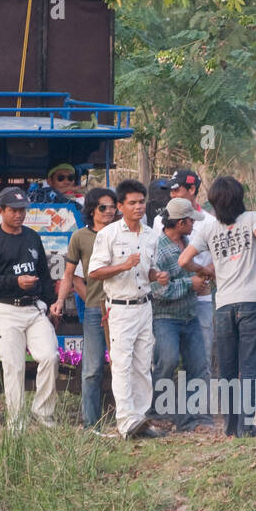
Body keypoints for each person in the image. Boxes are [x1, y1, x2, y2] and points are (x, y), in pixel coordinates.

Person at [178, 176, 256, 437]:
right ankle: (249, 425)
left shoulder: (209, 228)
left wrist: (204, 271)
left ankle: (232, 427)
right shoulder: (253, 217)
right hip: (252, 301)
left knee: (228, 367)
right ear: (240, 197)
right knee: (252, 364)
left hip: (223, 305)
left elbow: (183, 259)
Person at [88, 179, 169, 439]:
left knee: (143, 364)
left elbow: (148, 271)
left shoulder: (150, 236)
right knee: (121, 365)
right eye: (132, 203)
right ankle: (125, 423)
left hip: (144, 306)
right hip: (120, 308)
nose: (138, 207)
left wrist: (158, 276)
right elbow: (95, 272)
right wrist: (123, 266)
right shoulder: (108, 235)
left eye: (141, 202)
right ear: (120, 206)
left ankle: (141, 421)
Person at [0, 187, 59, 431]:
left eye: (22, 210)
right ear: (1, 211)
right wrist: (15, 282)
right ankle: (16, 423)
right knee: (13, 366)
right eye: (13, 210)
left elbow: (43, 274)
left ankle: (43, 413)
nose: (19, 215)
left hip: (33, 308)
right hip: (6, 309)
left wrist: (49, 303)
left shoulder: (33, 237)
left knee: (50, 357)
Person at [51, 187, 117, 431]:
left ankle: (127, 419)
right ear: (92, 210)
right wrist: (60, 301)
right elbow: (69, 275)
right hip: (94, 309)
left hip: (124, 308)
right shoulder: (80, 237)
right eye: (103, 207)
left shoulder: (123, 232)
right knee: (92, 368)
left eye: (112, 206)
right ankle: (92, 425)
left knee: (125, 364)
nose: (109, 211)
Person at [150, 197, 212, 432]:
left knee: (197, 365)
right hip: (165, 318)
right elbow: (158, 291)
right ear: (180, 222)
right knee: (167, 361)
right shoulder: (159, 250)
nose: (193, 225)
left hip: (190, 315)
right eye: (190, 221)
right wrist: (190, 284)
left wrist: (199, 283)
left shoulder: (187, 243)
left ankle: (193, 419)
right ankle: (157, 412)